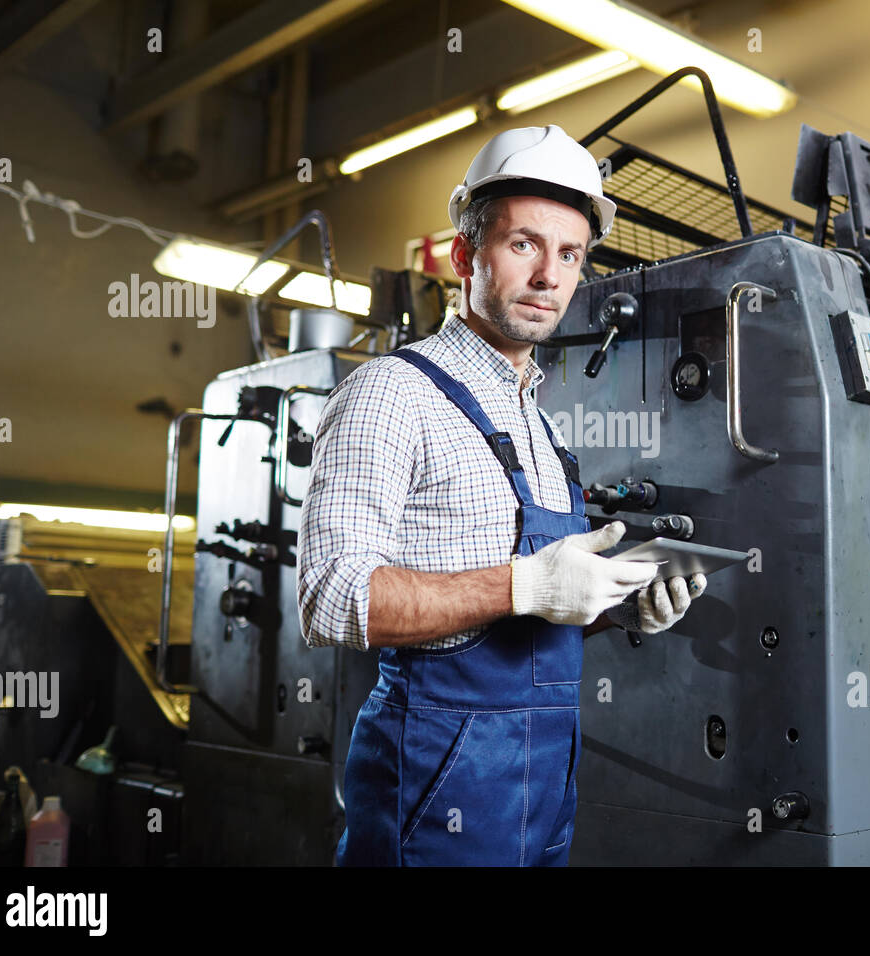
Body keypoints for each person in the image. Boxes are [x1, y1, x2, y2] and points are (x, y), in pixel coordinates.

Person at [297, 124, 708, 866]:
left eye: (571, 254)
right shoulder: (391, 393)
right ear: (464, 254)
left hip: (545, 774)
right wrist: (530, 580)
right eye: (524, 244)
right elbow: (330, 599)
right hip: (434, 774)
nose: (550, 275)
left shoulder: (545, 431)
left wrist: (617, 610)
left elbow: (528, 614)